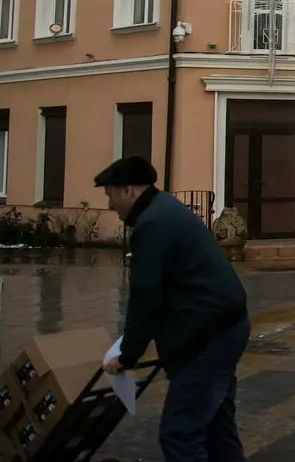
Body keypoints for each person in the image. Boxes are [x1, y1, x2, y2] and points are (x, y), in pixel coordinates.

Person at [95, 156, 250, 462]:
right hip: (224, 328)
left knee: (179, 434)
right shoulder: (164, 210)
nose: (110, 205)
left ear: (127, 191)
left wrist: (128, 354)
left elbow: (146, 296)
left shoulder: (153, 225)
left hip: (210, 337)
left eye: (110, 194)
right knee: (217, 428)